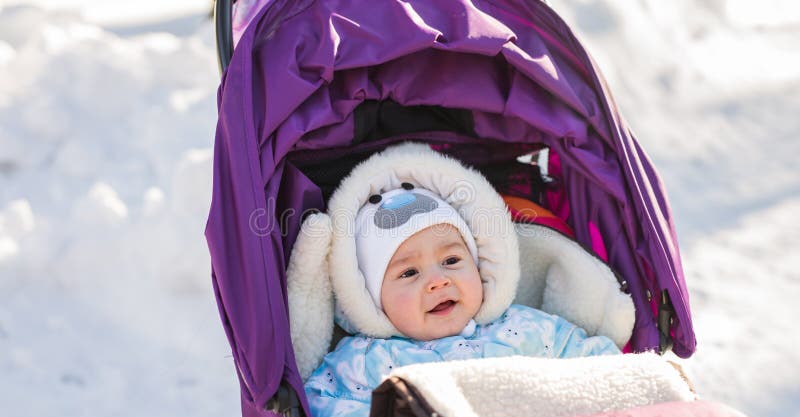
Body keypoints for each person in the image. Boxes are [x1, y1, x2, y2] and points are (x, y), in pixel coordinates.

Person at [303, 182, 621, 417]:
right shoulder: (366, 360)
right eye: (409, 272)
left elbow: (595, 363)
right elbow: (324, 403)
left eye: (452, 261)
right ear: (370, 301)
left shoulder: (522, 327)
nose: (438, 280)